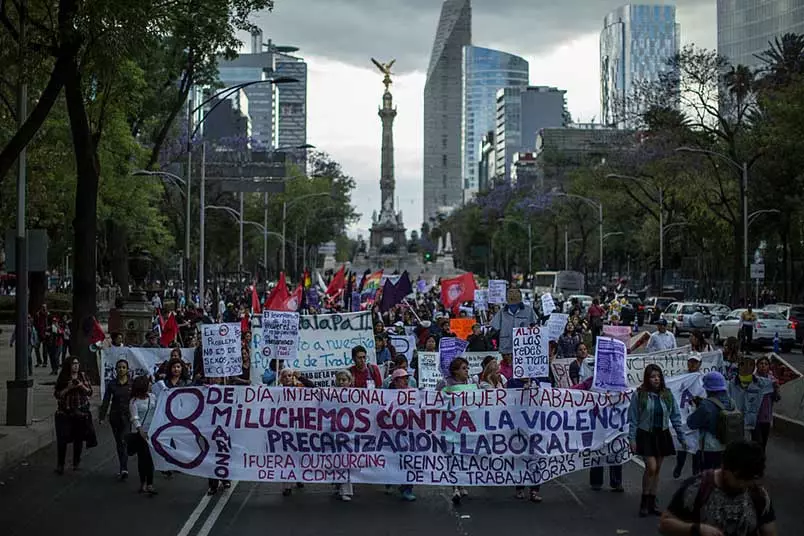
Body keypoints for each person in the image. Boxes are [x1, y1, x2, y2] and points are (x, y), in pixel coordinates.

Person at [659, 440, 777, 536]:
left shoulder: (758, 494)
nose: (744, 484)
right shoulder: (697, 488)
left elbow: (769, 531)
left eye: (749, 480)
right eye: (740, 478)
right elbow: (664, 524)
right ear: (725, 467)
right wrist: (696, 529)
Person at [628, 364, 686, 517]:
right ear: (647, 378)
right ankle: (644, 500)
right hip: (646, 434)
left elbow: (675, 416)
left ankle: (652, 502)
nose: (656, 379)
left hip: (662, 434)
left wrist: (681, 436)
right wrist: (632, 439)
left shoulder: (667, 394)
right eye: (653, 376)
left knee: (658, 469)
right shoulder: (639, 395)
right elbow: (633, 419)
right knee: (651, 467)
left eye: (658, 376)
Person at [437, 357, 475, 505]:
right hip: (450, 427)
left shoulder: (471, 383)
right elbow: (435, 401)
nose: (467, 371)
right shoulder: (444, 384)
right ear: (455, 371)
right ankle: (455, 488)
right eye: (464, 368)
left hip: (467, 427)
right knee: (452, 457)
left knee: (464, 456)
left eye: (467, 368)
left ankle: (462, 483)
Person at [685, 372, 739, 473]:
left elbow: (691, 423)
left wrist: (693, 409)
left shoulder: (706, 405)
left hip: (710, 448)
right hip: (728, 445)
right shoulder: (731, 402)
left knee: (707, 477)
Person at [54, 356, 94, 474]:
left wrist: (81, 386)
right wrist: (69, 387)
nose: (76, 366)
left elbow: (89, 392)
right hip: (65, 413)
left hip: (80, 412)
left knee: (78, 439)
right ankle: (60, 464)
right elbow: (58, 394)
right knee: (62, 439)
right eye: (73, 364)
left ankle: (76, 462)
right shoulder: (63, 378)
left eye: (77, 363)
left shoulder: (82, 376)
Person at [99, 359, 132, 480]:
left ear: (127, 369)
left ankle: (125, 468)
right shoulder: (112, 384)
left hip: (127, 417)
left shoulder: (131, 384)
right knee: (119, 442)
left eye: (124, 367)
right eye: (119, 367)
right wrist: (102, 416)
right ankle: (122, 466)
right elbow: (106, 400)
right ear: (116, 369)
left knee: (124, 441)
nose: (121, 369)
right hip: (115, 416)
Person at [728, 357, 774, 442]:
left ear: (753, 367)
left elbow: (774, 393)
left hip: (753, 419)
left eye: (750, 365)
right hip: (737, 420)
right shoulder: (731, 384)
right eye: (743, 364)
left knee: (757, 445)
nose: (746, 367)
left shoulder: (762, 382)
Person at [129, 375, 157, 495]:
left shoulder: (152, 397)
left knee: (150, 459)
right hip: (140, 434)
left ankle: (150, 483)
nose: (150, 385)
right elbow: (135, 418)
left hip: (152, 432)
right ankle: (143, 482)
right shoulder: (134, 402)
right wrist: (140, 430)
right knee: (142, 458)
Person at [490, 287, 537, 359]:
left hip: (523, 348)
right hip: (506, 348)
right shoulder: (502, 312)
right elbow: (494, 327)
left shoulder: (529, 310)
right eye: (511, 294)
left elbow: (535, 325)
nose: (513, 296)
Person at [753, 356, 780, 451]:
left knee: (763, 442)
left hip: (766, 416)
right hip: (755, 416)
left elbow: (776, 398)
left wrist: (776, 389)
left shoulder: (771, 380)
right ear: (757, 366)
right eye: (761, 364)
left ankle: (760, 461)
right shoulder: (753, 379)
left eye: (766, 364)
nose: (763, 366)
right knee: (757, 442)